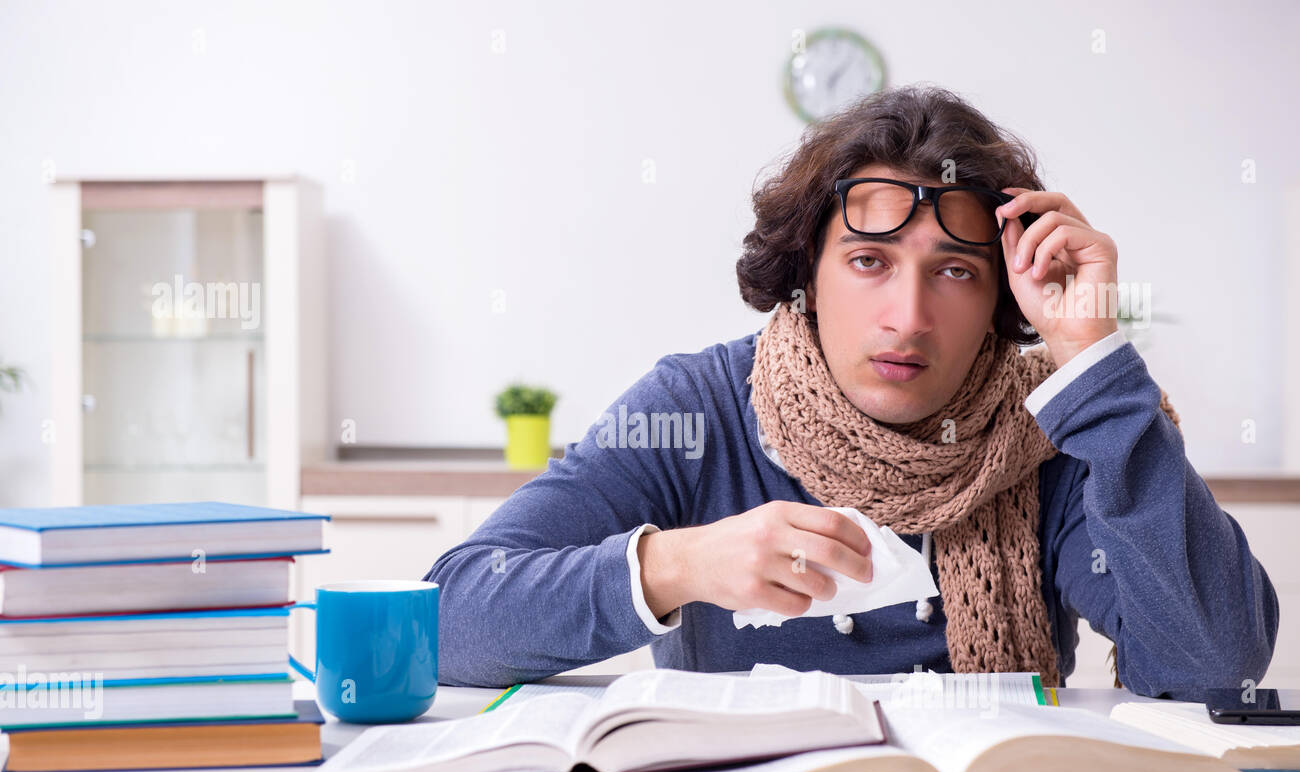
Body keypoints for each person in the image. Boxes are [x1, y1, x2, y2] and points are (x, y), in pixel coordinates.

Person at [423, 83, 1278, 696]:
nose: (907, 316)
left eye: (954, 271)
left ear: (998, 303)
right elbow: (448, 617)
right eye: (870, 262)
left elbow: (1216, 665)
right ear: (808, 275)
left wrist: (1093, 359)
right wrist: (676, 564)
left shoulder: (1050, 432)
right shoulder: (696, 409)